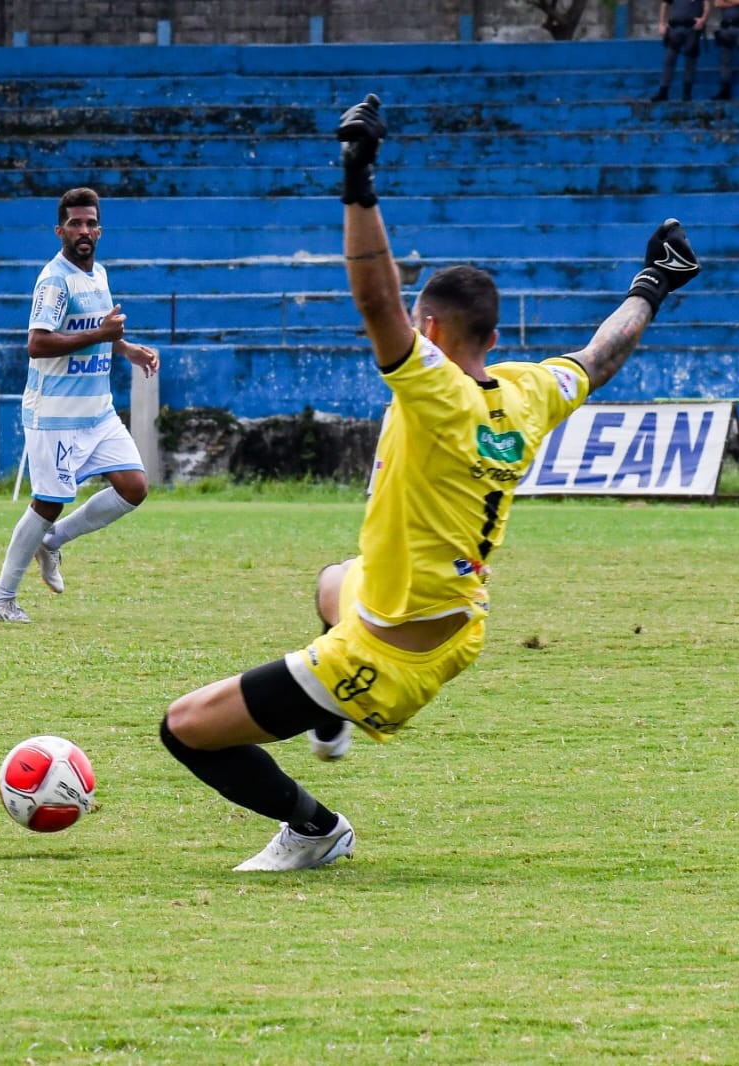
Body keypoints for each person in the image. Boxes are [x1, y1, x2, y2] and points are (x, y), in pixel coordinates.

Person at [159, 94, 700, 871]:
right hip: (455, 619)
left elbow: (373, 293)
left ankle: (316, 829)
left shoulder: (434, 390)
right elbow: (599, 355)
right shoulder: (525, 393)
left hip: (390, 654)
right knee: (333, 580)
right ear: (494, 335)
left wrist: (358, 178)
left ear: (435, 330)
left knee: (182, 728)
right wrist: (654, 283)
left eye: (418, 321)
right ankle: (329, 718)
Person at [0, 187, 160, 623]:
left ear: (100, 229)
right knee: (48, 502)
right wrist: (100, 336)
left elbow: (97, 330)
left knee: (134, 487)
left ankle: (53, 541)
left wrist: (128, 348)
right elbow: (38, 343)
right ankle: (1, 598)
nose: (84, 231)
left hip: (97, 410)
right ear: (60, 230)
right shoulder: (54, 280)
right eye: (75, 224)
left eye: (91, 223)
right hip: (56, 415)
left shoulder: (97, 274)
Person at [653, 0, 710, 100]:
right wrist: (662, 23)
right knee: (669, 59)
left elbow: (707, 5)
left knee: (690, 62)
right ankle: (663, 92)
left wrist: (703, 19)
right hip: (675, 28)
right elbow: (664, 4)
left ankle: (687, 94)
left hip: (692, 29)